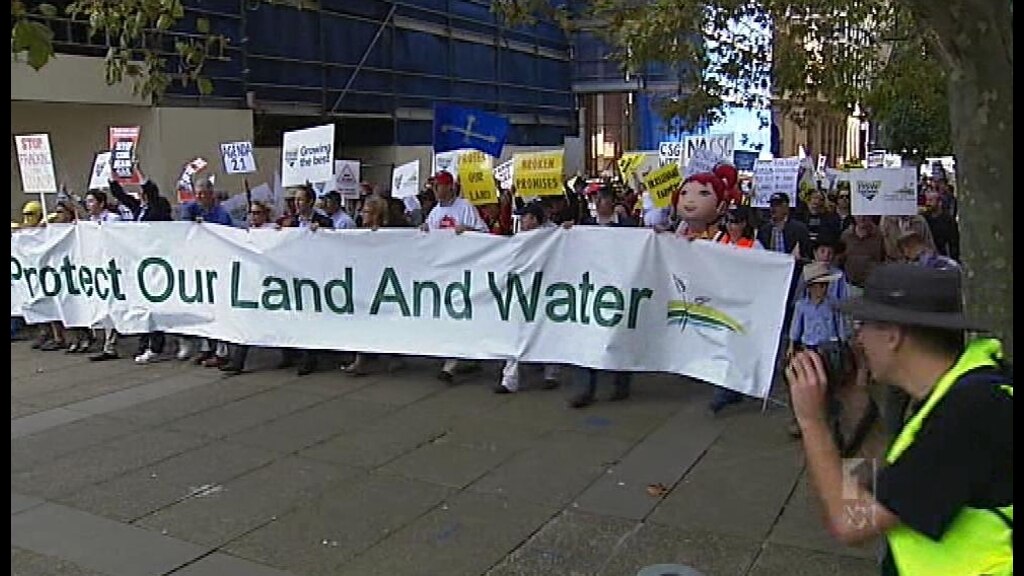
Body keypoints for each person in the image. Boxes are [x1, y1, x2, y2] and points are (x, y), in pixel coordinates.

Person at [787, 264, 1012, 576]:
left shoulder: (970, 413)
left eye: (862, 324)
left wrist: (812, 421)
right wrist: (857, 403)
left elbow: (852, 523)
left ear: (893, 335)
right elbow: (877, 488)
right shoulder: (953, 393)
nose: (858, 337)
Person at [423, 171, 489, 382]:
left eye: (439, 186)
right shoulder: (434, 213)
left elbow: (484, 233)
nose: (435, 190)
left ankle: (451, 364)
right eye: (434, 186)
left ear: (450, 187)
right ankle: (457, 356)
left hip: (462, 270)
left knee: (458, 314)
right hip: (443, 271)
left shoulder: (465, 207)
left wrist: (468, 230)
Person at [494, 201, 561, 394]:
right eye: (523, 217)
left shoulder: (552, 235)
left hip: (546, 290)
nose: (524, 221)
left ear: (536, 219)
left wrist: (566, 230)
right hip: (523, 290)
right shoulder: (520, 237)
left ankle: (551, 373)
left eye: (528, 217)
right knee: (515, 331)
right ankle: (509, 379)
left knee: (546, 329)